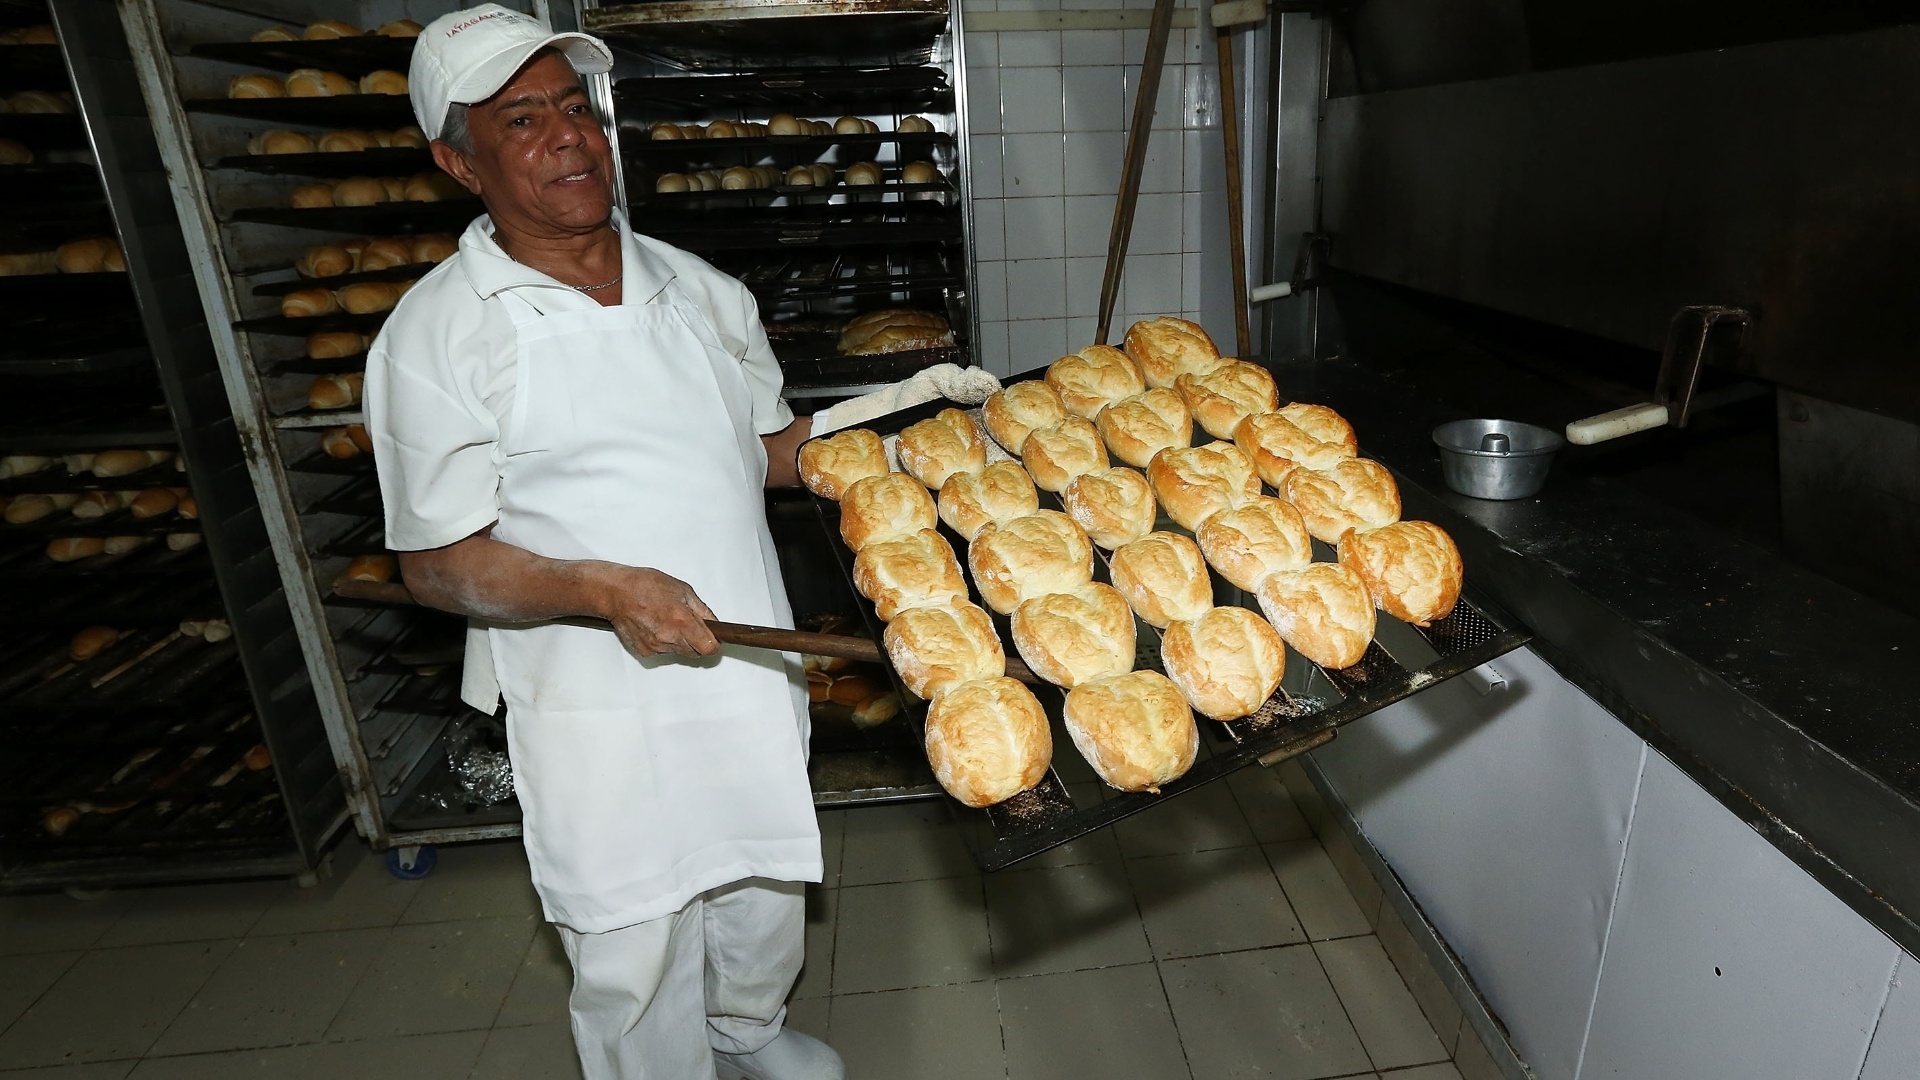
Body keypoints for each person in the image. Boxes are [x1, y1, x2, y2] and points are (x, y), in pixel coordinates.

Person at [365, 7, 850, 1078]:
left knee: (762, 884)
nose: (570, 137)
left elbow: (766, 448)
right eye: (522, 118)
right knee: (632, 926)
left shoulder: (701, 292)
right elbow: (438, 564)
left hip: (743, 654)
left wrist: (909, 437)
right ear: (458, 161)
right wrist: (599, 586)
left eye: (575, 107)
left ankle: (748, 1034)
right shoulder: (437, 337)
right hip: (595, 692)